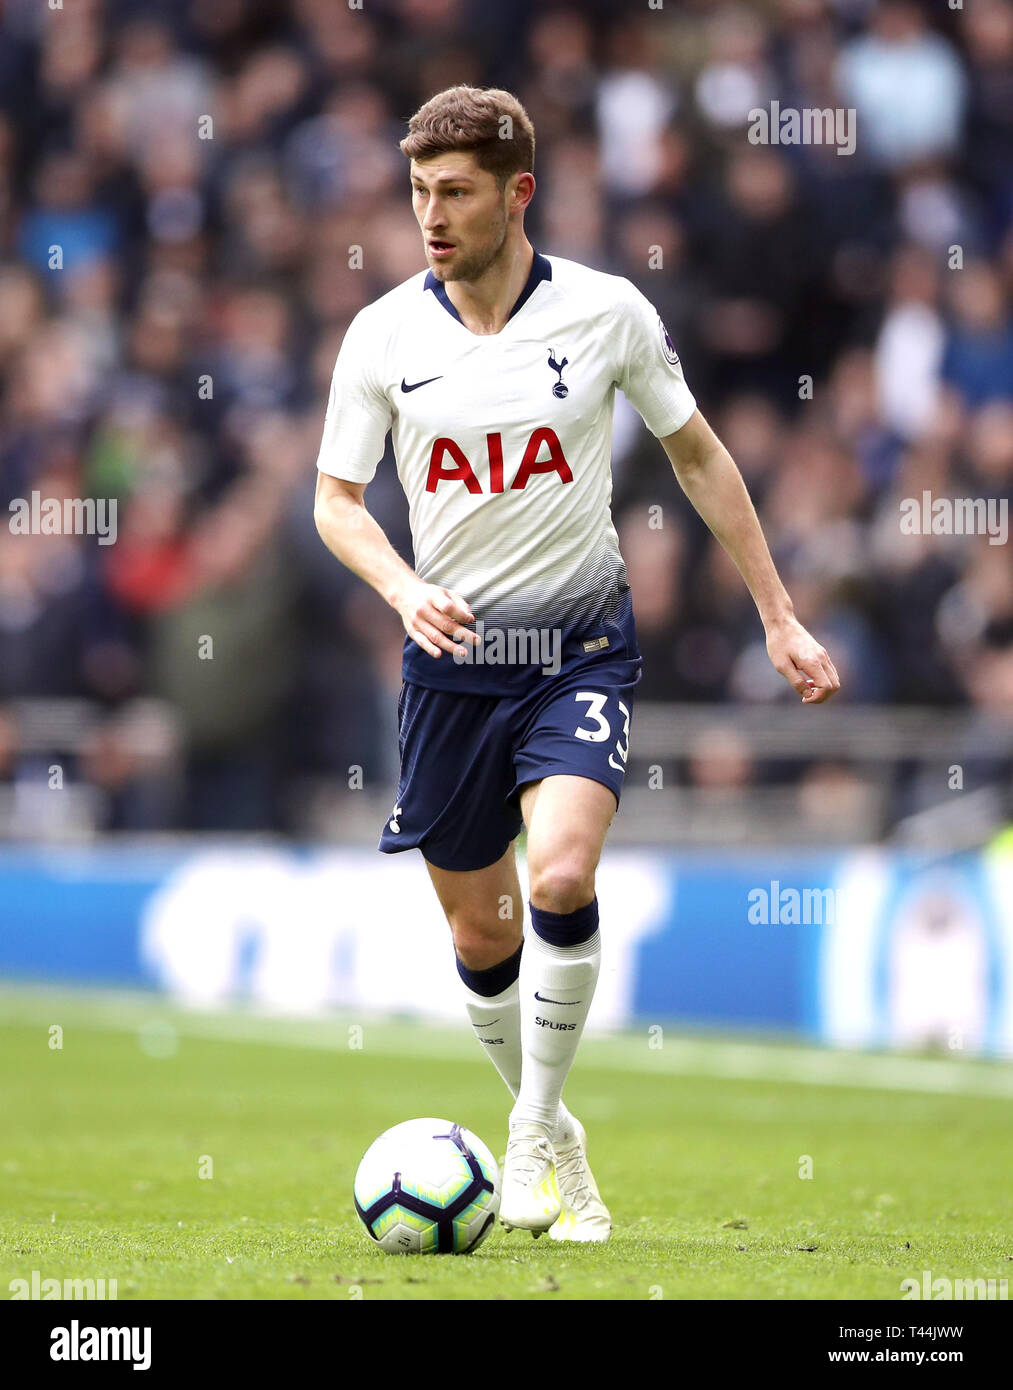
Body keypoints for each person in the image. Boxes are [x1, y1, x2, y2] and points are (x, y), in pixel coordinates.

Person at [313, 86, 840, 1242]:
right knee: (479, 933)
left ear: (519, 193)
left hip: (577, 648)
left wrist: (777, 614)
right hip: (449, 665)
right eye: (417, 193)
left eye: (454, 192)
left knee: (556, 877)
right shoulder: (383, 336)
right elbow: (335, 502)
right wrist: (404, 587)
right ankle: (554, 1134)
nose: (431, 216)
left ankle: (526, 1134)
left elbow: (697, 456)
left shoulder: (607, 313)